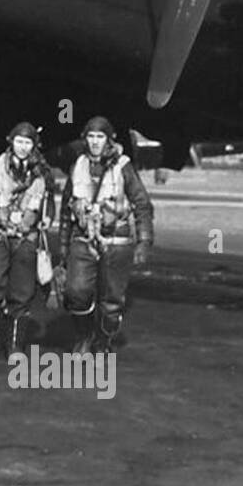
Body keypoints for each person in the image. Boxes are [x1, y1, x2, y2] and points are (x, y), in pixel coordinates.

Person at [59, 116, 154, 355]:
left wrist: (144, 241)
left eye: (100, 137)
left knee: (111, 302)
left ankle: (103, 342)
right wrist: (62, 245)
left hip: (117, 240)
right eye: (90, 136)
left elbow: (142, 203)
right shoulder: (78, 165)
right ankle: (84, 336)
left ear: (109, 140)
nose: (95, 142)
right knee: (76, 293)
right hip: (83, 238)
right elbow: (65, 208)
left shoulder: (123, 167)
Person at [0, 121, 55, 358]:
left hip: (26, 237)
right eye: (19, 141)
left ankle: (14, 343)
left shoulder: (42, 171)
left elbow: (49, 200)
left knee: (22, 290)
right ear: (11, 142)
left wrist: (48, 216)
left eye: (28, 142)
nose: (23, 147)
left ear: (34, 145)